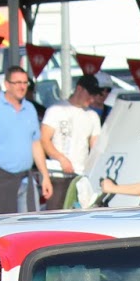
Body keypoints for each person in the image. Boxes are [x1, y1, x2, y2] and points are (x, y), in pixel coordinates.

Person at [0, 65, 53, 215]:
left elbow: (35, 143)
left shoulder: (30, 109)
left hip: (25, 178)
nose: (22, 87)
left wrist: (45, 176)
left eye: (25, 83)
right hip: (0, 178)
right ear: (7, 85)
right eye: (17, 83)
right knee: (0, 226)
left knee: (29, 226)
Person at [41, 74, 104, 209]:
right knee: (55, 215)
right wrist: (61, 158)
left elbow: (95, 146)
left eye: (94, 96)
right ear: (79, 89)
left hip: (81, 175)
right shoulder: (56, 110)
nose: (91, 99)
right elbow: (44, 139)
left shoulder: (92, 116)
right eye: (89, 94)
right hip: (58, 173)